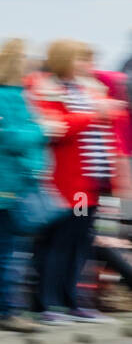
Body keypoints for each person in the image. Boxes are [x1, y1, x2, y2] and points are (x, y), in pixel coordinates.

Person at [27, 39, 125, 322]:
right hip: (71, 184)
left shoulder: (87, 90)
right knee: (60, 242)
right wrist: (94, 114)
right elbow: (56, 128)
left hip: (92, 183)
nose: (86, 66)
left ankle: (72, 301)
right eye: (81, 59)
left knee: (80, 242)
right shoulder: (47, 89)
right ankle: (48, 302)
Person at [0, 39, 48, 331]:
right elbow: (12, 136)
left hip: (8, 180)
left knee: (7, 245)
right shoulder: (5, 96)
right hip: (9, 182)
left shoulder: (3, 95)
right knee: (11, 248)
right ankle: (4, 309)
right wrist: (40, 130)